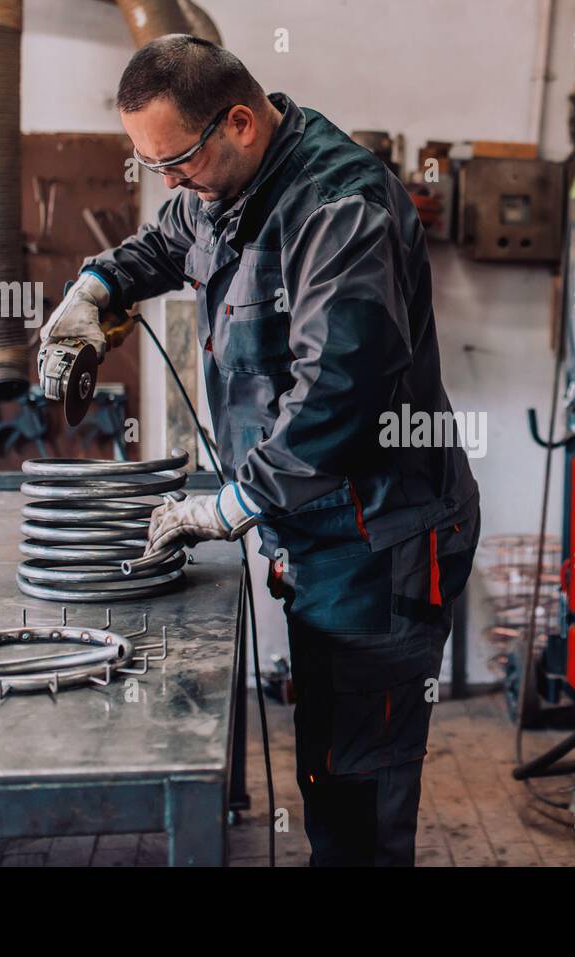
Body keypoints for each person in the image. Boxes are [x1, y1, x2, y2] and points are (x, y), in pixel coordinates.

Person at [39, 34, 480, 867]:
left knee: (358, 791)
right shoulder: (222, 192)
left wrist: (230, 505)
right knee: (326, 757)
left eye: (174, 162)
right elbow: (166, 243)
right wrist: (93, 288)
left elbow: (339, 400)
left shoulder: (340, 208)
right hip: (315, 531)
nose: (167, 181)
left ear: (239, 122)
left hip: (378, 540)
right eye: (150, 165)